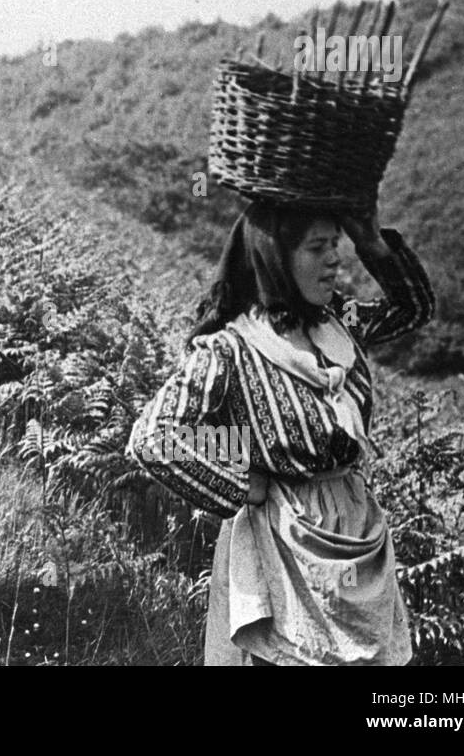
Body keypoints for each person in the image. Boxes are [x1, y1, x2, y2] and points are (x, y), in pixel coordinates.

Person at [128, 201, 435, 665]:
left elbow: (413, 308)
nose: (335, 259)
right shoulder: (232, 347)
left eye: (335, 244)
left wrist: (371, 242)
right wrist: (244, 480)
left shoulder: (338, 323)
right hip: (283, 538)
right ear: (275, 260)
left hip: (355, 528)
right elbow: (154, 437)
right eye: (317, 247)